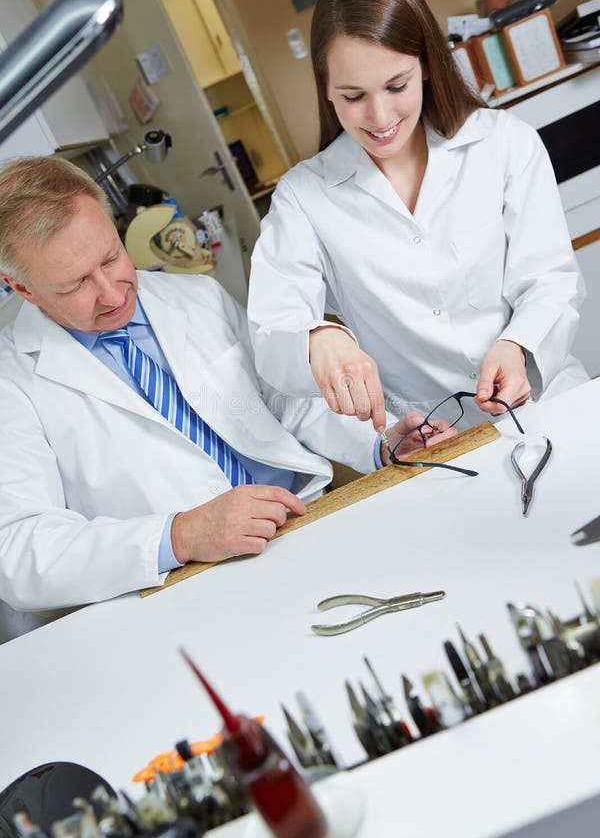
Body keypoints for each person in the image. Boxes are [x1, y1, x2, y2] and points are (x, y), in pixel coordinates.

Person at [0, 156, 452, 613]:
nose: (114, 294)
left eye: (112, 257)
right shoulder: (10, 383)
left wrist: (380, 444)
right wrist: (182, 534)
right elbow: (18, 552)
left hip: (309, 521)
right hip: (187, 591)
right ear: (20, 288)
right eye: (76, 284)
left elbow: (280, 400)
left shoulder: (195, 296)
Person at [247, 0, 587, 438]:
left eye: (396, 86)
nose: (380, 117)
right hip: (435, 444)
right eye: (352, 96)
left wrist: (519, 347)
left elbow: (550, 280)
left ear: (426, 63)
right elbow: (271, 333)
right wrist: (318, 339)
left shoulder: (504, 143)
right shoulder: (304, 198)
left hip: (552, 406)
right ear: (325, 88)